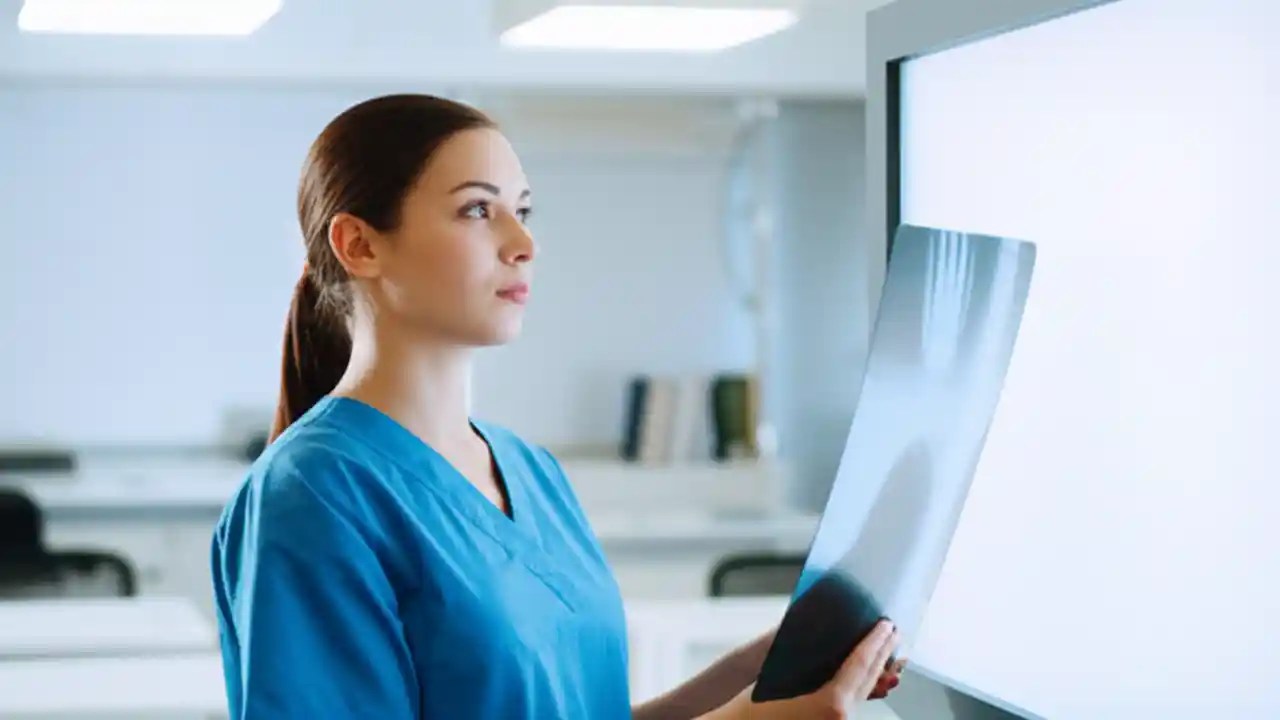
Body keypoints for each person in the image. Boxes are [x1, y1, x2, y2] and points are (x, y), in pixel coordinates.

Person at [210, 93, 902, 719]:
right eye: (478, 209)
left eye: (525, 210)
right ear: (359, 244)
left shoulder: (531, 472)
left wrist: (751, 673)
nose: (524, 243)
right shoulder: (314, 495)